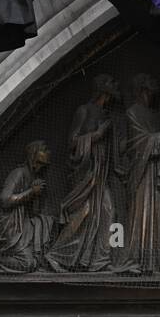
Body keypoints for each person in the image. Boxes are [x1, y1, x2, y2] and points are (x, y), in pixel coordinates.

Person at [47, 75, 123, 273]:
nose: (114, 93)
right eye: (111, 88)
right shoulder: (84, 110)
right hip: (85, 172)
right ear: (103, 90)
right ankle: (56, 255)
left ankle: (99, 260)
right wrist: (96, 136)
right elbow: (72, 142)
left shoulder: (107, 116)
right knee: (85, 211)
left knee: (107, 210)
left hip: (101, 173)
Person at [120, 73, 160, 275]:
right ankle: (135, 260)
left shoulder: (155, 115)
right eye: (150, 81)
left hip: (156, 171)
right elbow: (139, 144)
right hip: (141, 172)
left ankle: (153, 261)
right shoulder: (132, 112)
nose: (154, 84)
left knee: (156, 212)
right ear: (142, 87)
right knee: (141, 212)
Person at [0, 140, 54, 275]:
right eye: (37, 162)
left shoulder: (34, 178)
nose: (39, 167)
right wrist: (31, 192)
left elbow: (34, 212)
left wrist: (36, 196)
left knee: (33, 260)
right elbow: (5, 200)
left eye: (43, 165)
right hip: (11, 226)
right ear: (31, 158)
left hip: (24, 227)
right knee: (27, 263)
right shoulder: (18, 173)